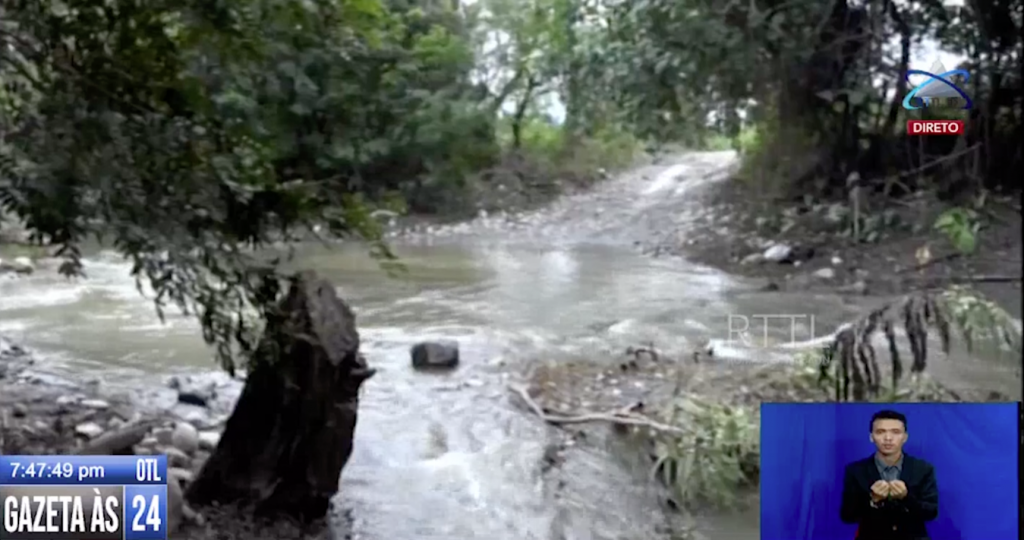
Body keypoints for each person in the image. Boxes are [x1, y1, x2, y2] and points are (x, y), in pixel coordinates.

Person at [840, 409, 939, 540]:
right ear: (871, 437)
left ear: (905, 437)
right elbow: (848, 516)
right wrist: (873, 501)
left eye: (895, 432)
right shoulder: (856, 470)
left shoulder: (923, 469)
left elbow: (931, 512)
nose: (888, 438)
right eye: (880, 432)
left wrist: (906, 497)